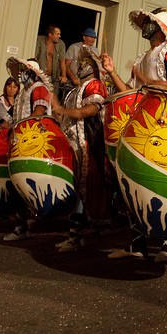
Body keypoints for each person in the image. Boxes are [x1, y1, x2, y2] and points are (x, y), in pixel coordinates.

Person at [101, 7, 167, 262]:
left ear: (160, 27)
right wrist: (111, 72)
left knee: (156, 186)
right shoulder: (144, 56)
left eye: (148, 22)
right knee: (134, 185)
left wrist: (150, 84)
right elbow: (131, 92)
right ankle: (137, 244)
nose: (144, 25)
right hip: (140, 124)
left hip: (164, 125)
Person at [51, 48, 110, 252]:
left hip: (87, 144)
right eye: (81, 61)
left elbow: (92, 109)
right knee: (76, 189)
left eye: (86, 62)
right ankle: (78, 233)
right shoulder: (78, 88)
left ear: (93, 67)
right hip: (73, 143)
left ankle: (75, 236)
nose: (81, 64)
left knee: (83, 189)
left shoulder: (95, 85)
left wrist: (63, 111)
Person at [3, 57, 54, 241]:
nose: (20, 74)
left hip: (32, 142)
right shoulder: (24, 91)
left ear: (32, 72)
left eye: (24, 70)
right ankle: (21, 225)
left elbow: (39, 112)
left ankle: (24, 226)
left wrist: (21, 127)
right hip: (20, 141)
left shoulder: (38, 88)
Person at [34, 25, 68, 100]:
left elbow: (62, 61)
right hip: (40, 75)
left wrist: (64, 76)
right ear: (50, 35)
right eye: (57, 34)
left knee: (52, 99)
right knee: (39, 98)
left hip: (54, 77)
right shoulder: (39, 40)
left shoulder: (61, 44)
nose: (59, 36)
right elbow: (34, 57)